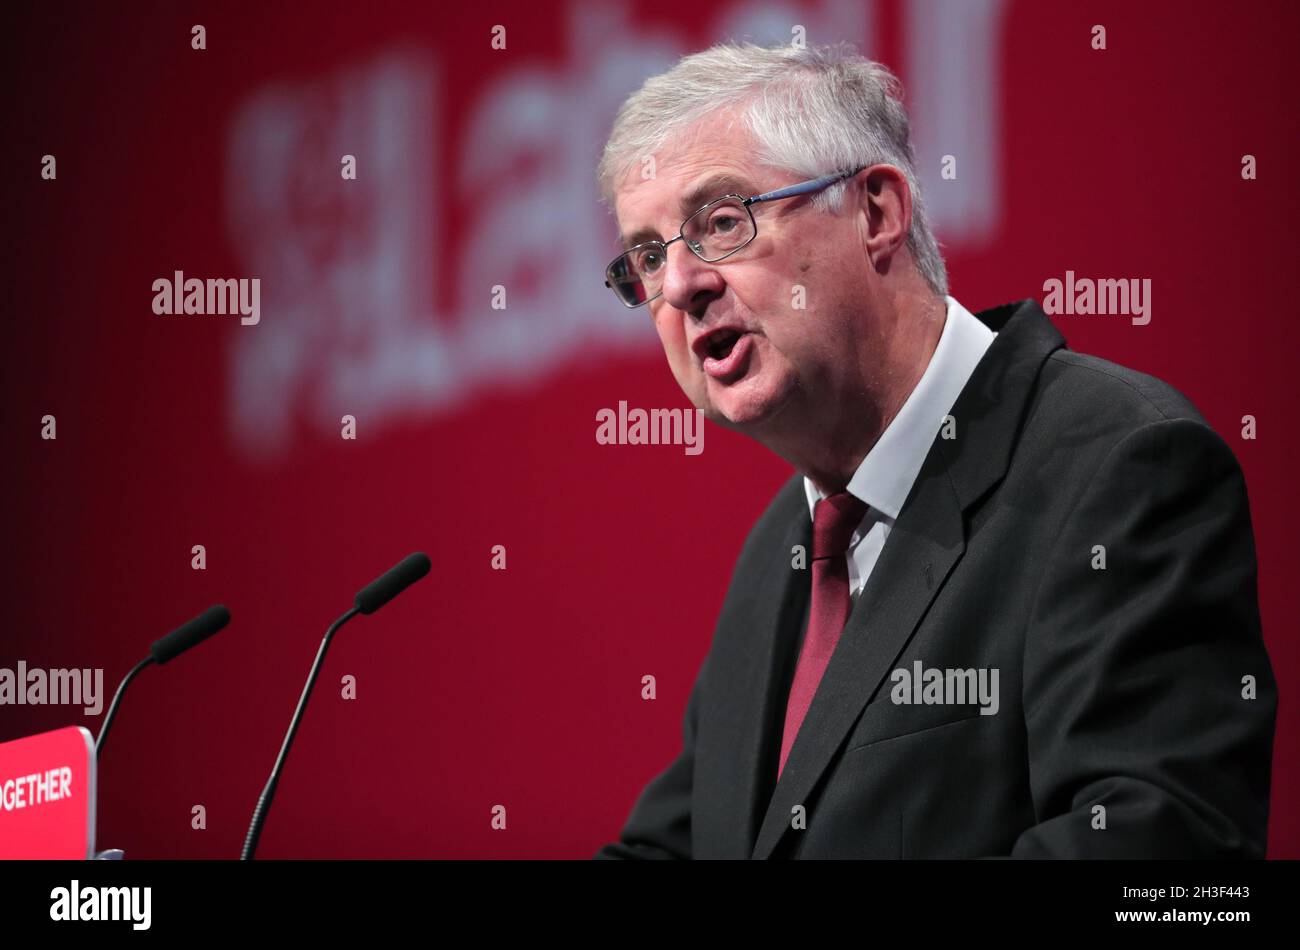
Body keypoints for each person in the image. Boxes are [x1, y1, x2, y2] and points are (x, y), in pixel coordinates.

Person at [591, 42, 1277, 859]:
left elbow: (1163, 858)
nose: (679, 286)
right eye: (650, 254)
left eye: (722, 223)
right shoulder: (782, 552)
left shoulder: (1119, 468)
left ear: (877, 213)